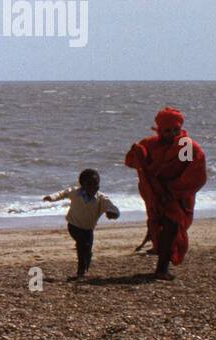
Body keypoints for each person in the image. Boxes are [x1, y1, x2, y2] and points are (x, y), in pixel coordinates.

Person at [125, 107, 207, 280]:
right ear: (159, 130)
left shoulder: (184, 145)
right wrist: (137, 154)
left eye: (176, 130)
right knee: (161, 228)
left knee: (172, 227)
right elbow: (134, 162)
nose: (172, 134)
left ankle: (162, 268)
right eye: (167, 130)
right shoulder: (150, 143)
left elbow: (189, 171)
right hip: (155, 195)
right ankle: (162, 266)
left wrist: (172, 190)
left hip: (177, 196)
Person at [43, 168, 121, 279]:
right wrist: (51, 197)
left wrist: (113, 214)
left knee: (87, 250)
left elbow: (113, 208)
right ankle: (81, 272)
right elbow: (62, 193)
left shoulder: (101, 199)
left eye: (96, 184)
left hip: (88, 229)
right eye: (90, 184)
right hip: (74, 225)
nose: (93, 187)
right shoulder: (75, 192)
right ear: (83, 185)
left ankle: (85, 266)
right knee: (82, 245)